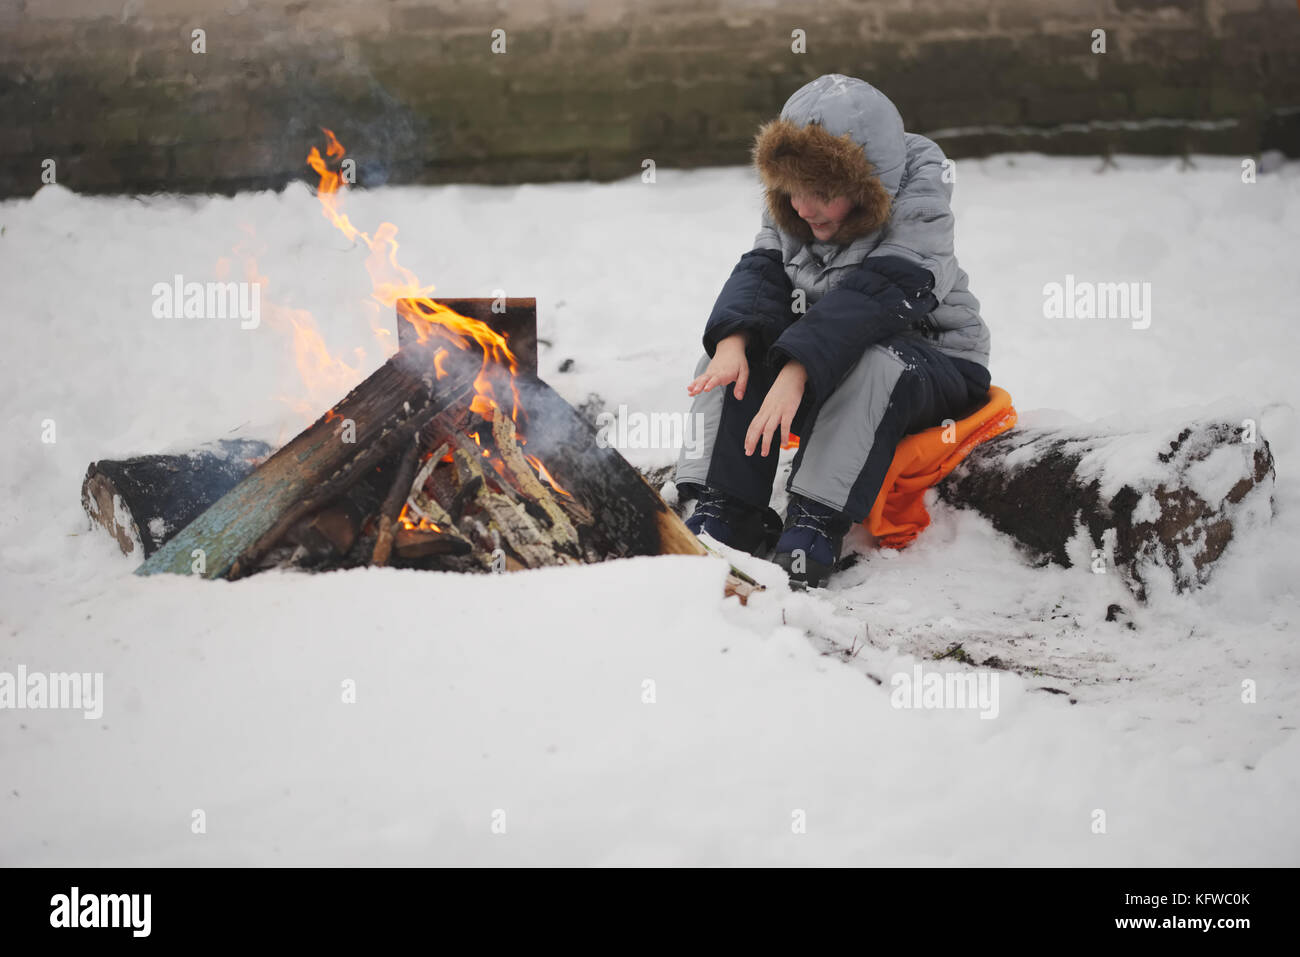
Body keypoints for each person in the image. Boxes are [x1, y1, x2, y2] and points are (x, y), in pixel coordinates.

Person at [676, 74, 993, 588]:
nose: (803, 208)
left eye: (822, 192)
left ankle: (814, 522)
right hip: (830, 353)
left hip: (931, 359)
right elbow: (762, 274)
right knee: (727, 364)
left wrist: (798, 366)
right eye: (792, 192)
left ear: (869, 185)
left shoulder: (919, 205)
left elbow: (881, 291)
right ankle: (723, 509)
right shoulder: (796, 206)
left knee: (876, 363)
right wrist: (734, 344)